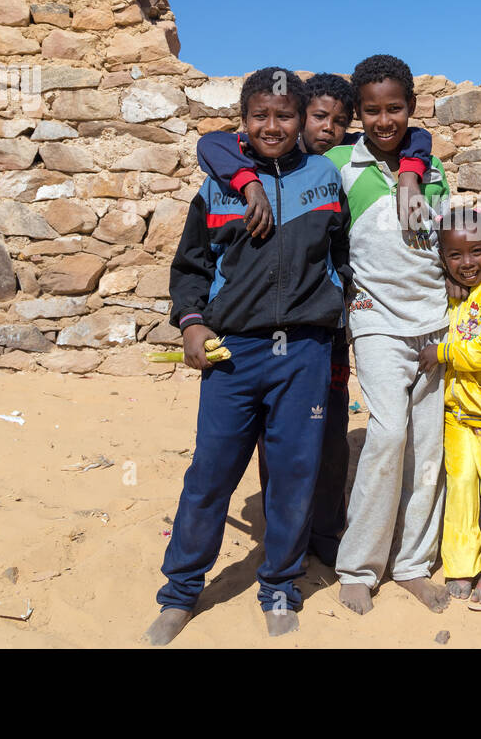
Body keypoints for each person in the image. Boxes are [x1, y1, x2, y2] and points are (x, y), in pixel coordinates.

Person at [143, 67, 349, 644]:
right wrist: (190, 323)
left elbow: (341, 256)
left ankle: (280, 583)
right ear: (243, 120)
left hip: (305, 353)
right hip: (232, 355)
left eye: (285, 115)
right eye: (260, 115)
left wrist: (336, 312)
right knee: (210, 472)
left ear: (302, 120)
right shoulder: (217, 187)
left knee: (292, 473)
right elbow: (190, 268)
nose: (273, 125)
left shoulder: (324, 179)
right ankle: (181, 591)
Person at [196, 73, 432, 567]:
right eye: (318, 117)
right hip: (258, 338)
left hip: (323, 335)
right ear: (302, 116)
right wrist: (247, 182)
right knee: (270, 442)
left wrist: (409, 171)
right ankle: (288, 541)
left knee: (322, 438)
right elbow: (212, 142)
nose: (327, 128)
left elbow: (415, 137)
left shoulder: (336, 163)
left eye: (339, 121)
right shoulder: (248, 162)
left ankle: (326, 536)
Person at [327, 54, 453, 616]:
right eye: (372, 110)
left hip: (435, 321)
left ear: (412, 109)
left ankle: (413, 564)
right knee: (387, 436)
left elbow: (450, 238)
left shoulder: (433, 166)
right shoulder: (337, 163)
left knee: (429, 447)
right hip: (376, 320)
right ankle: (358, 565)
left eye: (395, 109)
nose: (385, 120)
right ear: (358, 112)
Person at [417, 209, 481, 610]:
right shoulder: (448, 291)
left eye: (476, 252)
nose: (467, 264)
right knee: (459, 489)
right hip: (458, 415)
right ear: (442, 258)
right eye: (455, 256)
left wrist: (443, 352)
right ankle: (459, 562)